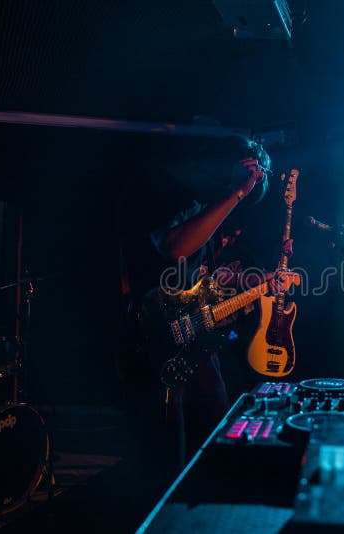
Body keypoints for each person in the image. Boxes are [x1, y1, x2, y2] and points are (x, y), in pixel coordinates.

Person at [119, 137, 291, 475]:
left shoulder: (201, 204)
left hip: (188, 322)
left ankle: (206, 493)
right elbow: (176, 249)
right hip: (155, 326)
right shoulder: (169, 190)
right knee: (169, 433)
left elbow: (206, 276)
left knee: (215, 412)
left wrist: (262, 280)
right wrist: (237, 193)